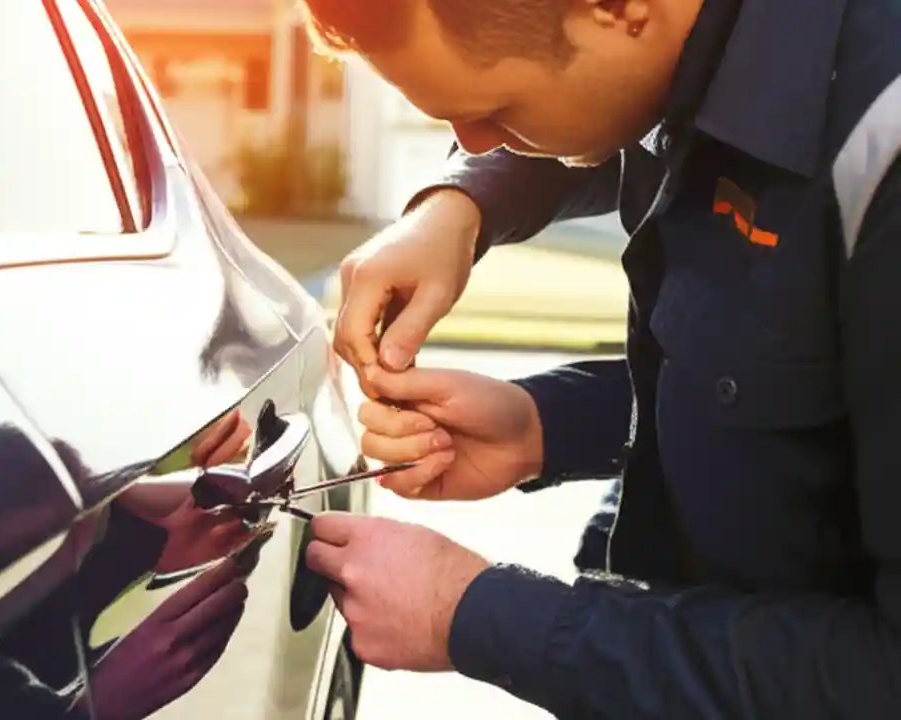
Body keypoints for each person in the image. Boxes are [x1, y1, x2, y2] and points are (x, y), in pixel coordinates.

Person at [299, 0, 901, 717]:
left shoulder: (878, 151)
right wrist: (542, 422)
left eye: (496, 108)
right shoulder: (718, 49)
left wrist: (476, 616)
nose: (471, 140)